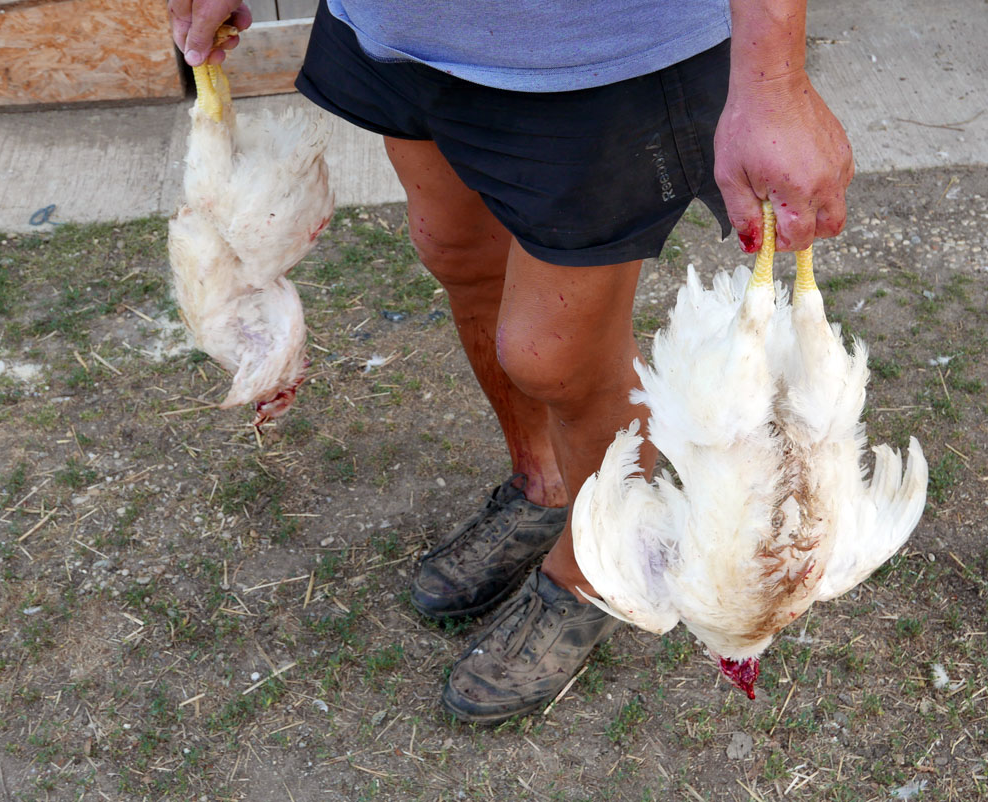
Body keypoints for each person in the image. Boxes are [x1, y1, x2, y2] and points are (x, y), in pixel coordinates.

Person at [168, 0, 854, 724]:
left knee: (556, 356)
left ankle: (594, 568)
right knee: (456, 252)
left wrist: (775, 84)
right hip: (399, 28)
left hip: (590, 55)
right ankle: (544, 482)